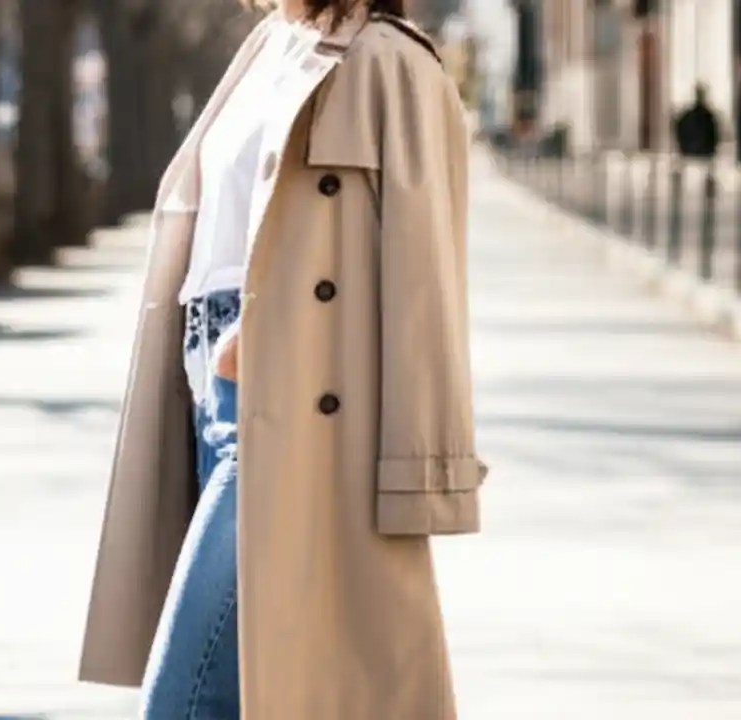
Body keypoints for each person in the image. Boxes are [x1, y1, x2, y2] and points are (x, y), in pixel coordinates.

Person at [79, 1, 486, 718]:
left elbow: (428, 280)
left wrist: (426, 472)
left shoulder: (391, 63)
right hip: (204, 391)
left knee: (181, 699)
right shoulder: (270, 45)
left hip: (289, 402)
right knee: (240, 692)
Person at [674, 83, 722, 159]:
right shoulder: (708, 116)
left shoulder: (687, 116)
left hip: (689, 153)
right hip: (704, 154)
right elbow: (715, 137)